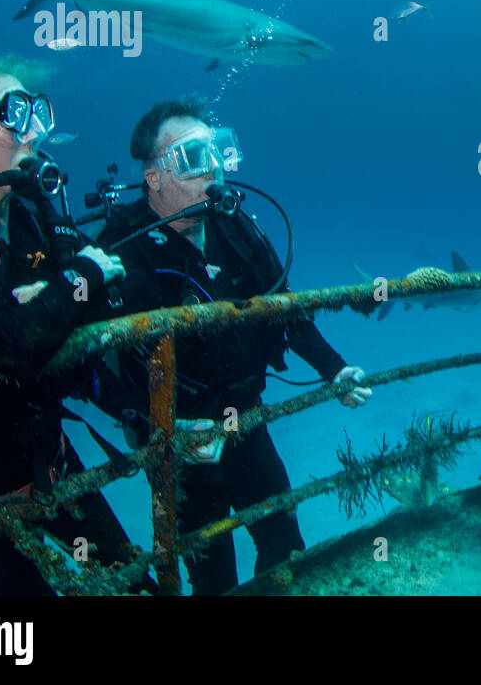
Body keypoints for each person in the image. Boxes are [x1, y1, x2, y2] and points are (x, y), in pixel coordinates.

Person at [96, 96, 372, 595]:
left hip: (247, 418)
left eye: (218, 151)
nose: (214, 169)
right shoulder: (121, 247)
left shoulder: (234, 225)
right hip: (180, 444)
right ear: (153, 175)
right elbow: (98, 368)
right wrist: (160, 429)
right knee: (211, 572)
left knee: (284, 543)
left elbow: (285, 309)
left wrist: (335, 369)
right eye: (193, 157)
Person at [0, 55, 149, 594]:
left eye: (38, 111)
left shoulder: (31, 215)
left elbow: (115, 290)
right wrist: (71, 287)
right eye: (15, 112)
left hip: (53, 458)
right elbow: (14, 343)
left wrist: (58, 297)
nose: (34, 129)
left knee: (134, 580)